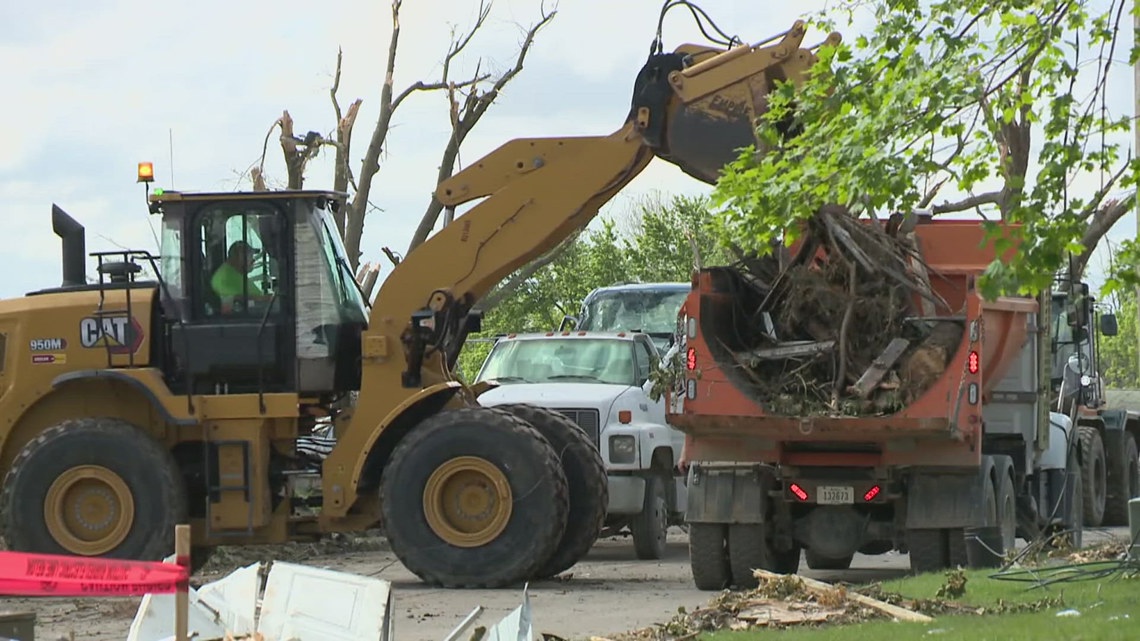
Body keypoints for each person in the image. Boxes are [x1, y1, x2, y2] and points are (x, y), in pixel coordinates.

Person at [211, 240, 271, 313]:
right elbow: (230, 300)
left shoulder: (236, 272)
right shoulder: (224, 277)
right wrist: (261, 299)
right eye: (250, 256)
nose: (253, 260)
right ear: (240, 257)